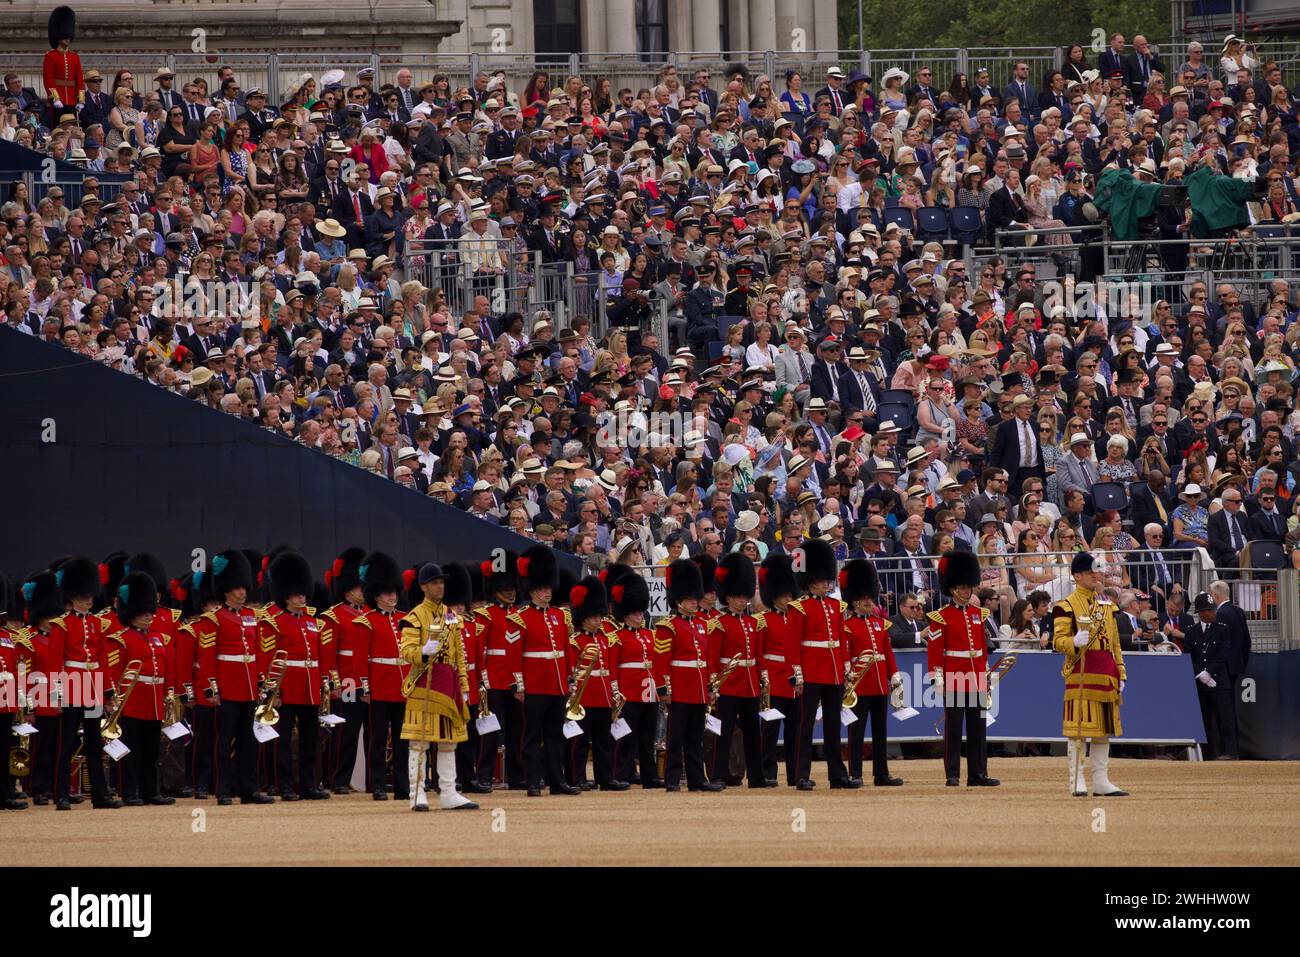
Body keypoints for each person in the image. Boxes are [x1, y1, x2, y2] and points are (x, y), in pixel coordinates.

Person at [192, 550, 275, 806]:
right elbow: (207, 658)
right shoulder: (213, 619)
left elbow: (258, 653)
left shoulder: (252, 618)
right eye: (237, 588)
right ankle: (223, 789)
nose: (242, 592)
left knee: (249, 741)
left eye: (243, 588)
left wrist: (262, 682)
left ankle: (248, 788)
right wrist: (211, 689)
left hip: (249, 687)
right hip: (227, 688)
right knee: (223, 741)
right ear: (226, 589)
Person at [399, 562, 479, 810]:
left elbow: (459, 655)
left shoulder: (451, 615)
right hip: (425, 679)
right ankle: (417, 793)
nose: (440, 586)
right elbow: (406, 652)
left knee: (449, 741)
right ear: (423, 587)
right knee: (419, 741)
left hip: (448, 680)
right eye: (434, 582)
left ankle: (448, 792)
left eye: (441, 582)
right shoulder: (414, 617)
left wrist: (464, 684)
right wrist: (422, 652)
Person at [1051, 552, 1128, 797]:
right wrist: (1072, 641)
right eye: (1089, 572)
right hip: (1081, 670)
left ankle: (1101, 780)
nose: (1096, 575)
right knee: (1079, 728)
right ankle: (1076, 780)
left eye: (1096, 571)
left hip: (1106, 671)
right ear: (1077, 576)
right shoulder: (1065, 606)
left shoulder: (1107, 605)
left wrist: (1121, 671)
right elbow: (1057, 641)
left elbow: (1115, 643)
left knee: (1104, 728)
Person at [48, 556, 121, 811]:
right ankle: (62, 794)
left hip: (92, 688)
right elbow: (56, 662)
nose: (88, 599)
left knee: (93, 742)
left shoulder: (98, 624)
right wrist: (56, 695)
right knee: (66, 743)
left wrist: (108, 690)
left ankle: (100, 795)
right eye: (82, 595)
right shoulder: (61, 625)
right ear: (72, 596)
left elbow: (102, 660)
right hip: (71, 685)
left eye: (90, 595)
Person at [260, 550, 333, 801]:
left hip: (310, 687)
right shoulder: (275, 621)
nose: (301, 597)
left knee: (310, 741)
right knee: (281, 740)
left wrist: (324, 684)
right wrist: (273, 691)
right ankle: (285, 785)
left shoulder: (313, 622)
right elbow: (269, 659)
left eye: (303, 593)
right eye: (296, 594)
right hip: (287, 686)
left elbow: (319, 657)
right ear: (285, 595)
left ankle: (309, 785)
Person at [509, 545, 578, 797]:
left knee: (554, 735)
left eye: (549, 588)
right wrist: (518, 684)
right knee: (531, 736)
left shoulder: (560, 616)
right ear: (532, 589)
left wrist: (570, 678)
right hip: (535, 684)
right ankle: (533, 781)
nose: (547, 593)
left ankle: (556, 781)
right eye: (542, 589)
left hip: (557, 683)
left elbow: (565, 650)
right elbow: (514, 655)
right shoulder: (521, 617)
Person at [926, 550, 999, 787]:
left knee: (978, 728)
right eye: (963, 587)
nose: (968, 591)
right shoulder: (941, 617)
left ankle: (978, 773)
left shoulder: (979, 614)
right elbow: (935, 652)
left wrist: (986, 676)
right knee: (954, 729)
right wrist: (937, 678)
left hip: (976, 677)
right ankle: (953, 773)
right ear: (953, 589)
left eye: (970, 587)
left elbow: (981, 650)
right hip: (954, 677)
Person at [105, 572, 177, 807]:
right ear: (132, 613)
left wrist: (168, 694)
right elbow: (115, 673)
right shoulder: (121, 639)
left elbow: (165, 669)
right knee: (131, 749)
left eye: (150, 612)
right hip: (132, 700)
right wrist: (114, 701)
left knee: (151, 749)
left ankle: (150, 790)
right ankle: (129, 791)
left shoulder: (158, 639)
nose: (148, 617)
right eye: (143, 613)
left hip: (154, 699)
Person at [787, 538, 851, 790]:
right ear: (811, 581)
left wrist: (845, 669)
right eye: (823, 580)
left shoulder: (836, 606)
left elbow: (840, 639)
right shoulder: (799, 608)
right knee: (805, 727)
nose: (827, 583)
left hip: (833, 672)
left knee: (834, 727)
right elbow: (793, 645)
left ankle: (837, 774)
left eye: (828, 579)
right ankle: (801, 774)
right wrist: (797, 675)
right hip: (811, 673)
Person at [655, 558, 722, 792]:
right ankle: (672, 779)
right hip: (680, 688)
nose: (695, 603)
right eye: (690, 599)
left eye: (696, 599)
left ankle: (697, 779)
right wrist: (664, 690)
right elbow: (661, 661)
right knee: (675, 737)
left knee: (695, 738)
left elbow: (708, 658)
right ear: (679, 600)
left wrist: (711, 687)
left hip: (699, 687)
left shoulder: (701, 625)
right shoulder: (668, 626)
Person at [840, 559, 904, 787]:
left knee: (880, 731)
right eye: (865, 599)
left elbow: (887, 654)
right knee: (855, 732)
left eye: (870, 598)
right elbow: (845, 656)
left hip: (878, 685)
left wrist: (894, 677)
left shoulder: (880, 624)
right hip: (859, 686)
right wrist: (848, 681)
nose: (869, 602)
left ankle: (881, 773)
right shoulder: (847, 626)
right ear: (855, 601)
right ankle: (855, 772)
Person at [708, 552, 766, 789]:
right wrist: (714, 685)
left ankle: (756, 776)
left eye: (745, 596)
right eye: (737, 596)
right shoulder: (719, 623)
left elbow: (757, 655)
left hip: (750, 682)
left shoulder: (754, 623)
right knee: (724, 731)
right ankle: (719, 774)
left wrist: (763, 677)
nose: (742, 600)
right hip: (728, 684)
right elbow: (713, 657)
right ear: (728, 598)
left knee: (753, 733)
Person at [356, 551, 411, 801]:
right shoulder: (366, 622)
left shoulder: (404, 619)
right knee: (377, 740)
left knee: (402, 741)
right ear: (376, 594)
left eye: (394, 592)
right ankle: (377, 785)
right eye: (387, 593)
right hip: (379, 686)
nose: (392, 597)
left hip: (403, 688)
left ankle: (402, 785)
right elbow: (361, 659)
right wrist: (365, 688)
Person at [567, 576, 628, 791]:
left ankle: (606, 777)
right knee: (580, 741)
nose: (597, 621)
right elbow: (573, 672)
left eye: (599, 616)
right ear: (583, 618)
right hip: (584, 698)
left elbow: (610, 669)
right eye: (592, 617)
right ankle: (578, 777)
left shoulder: (604, 640)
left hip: (602, 695)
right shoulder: (576, 641)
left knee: (603, 741)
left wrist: (614, 692)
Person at [319, 547, 370, 794]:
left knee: (373, 734)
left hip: (370, 681)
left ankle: (373, 779)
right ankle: (338, 779)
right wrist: (334, 683)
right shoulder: (334, 616)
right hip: (347, 682)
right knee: (345, 733)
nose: (363, 591)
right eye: (359, 587)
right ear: (348, 588)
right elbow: (329, 654)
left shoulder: (371, 614)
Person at [606, 567, 659, 789]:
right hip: (628, 692)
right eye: (635, 613)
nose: (640, 616)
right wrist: (616, 692)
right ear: (625, 613)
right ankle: (621, 772)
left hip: (649, 691)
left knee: (648, 738)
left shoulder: (650, 635)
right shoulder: (616, 637)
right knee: (626, 737)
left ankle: (649, 775)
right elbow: (613, 667)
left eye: (641, 613)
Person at [477, 550, 525, 791]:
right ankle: (485, 775)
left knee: (517, 731)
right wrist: (483, 680)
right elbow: (480, 651)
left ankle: (517, 776)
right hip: (493, 680)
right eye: (506, 587)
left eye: (512, 587)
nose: (510, 591)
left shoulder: (520, 615)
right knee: (491, 732)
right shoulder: (486, 615)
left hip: (516, 682)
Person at [757, 552, 801, 787]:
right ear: (773, 596)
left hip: (795, 681)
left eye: (789, 594)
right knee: (771, 731)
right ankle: (768, 772)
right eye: (783, 595)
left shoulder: (797, 617)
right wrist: (764, 678)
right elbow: (759, 653)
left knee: (795, 731)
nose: (787, 599)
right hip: (774, 680)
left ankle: (795, 774)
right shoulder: (763, 619)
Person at [1187, 592, 1238, 760]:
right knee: (1204, 719)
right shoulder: (1191, 631)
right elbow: (1189, 655)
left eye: (1213, 609)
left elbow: (1223, 653)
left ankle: (1229, 751)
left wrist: (1209, 672)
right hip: (1200, 682)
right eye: (1209, 610)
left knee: (1224, 718)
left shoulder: (1222, 629)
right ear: (1201, 613)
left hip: (1218, 681)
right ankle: (1208, 753)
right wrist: (1200, 673)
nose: (1213, 613)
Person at [1211, 579, 1250, 759]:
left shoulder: (1220, 614)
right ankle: (1233, 748)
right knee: (1230, 708)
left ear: (1216, 595)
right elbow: (1246, 641)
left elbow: (1219, 645)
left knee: (1225, 709)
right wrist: (1241, 663)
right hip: (1235, 667)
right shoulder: (1239, 611)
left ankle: (1229, 750)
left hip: (1223, 669)